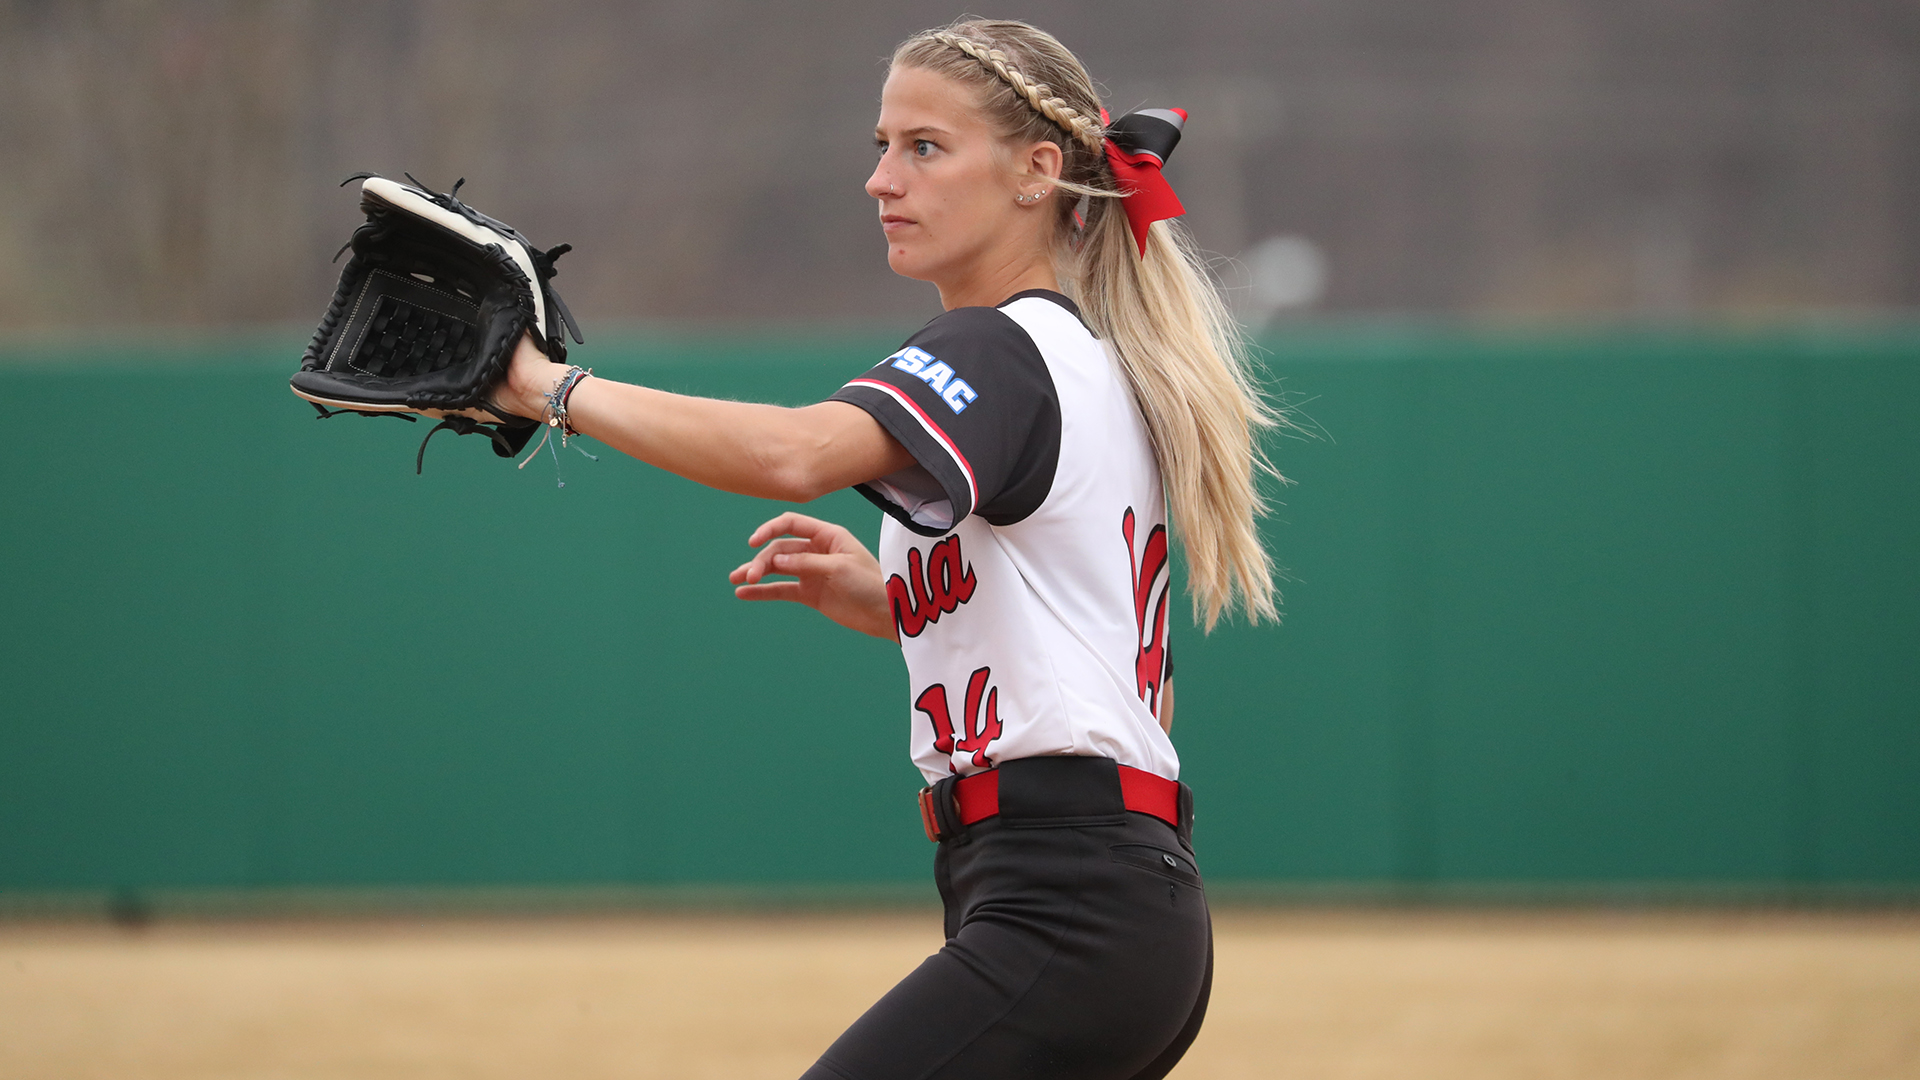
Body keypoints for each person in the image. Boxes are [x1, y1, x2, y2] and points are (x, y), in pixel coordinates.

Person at [493, 18, 1278, 1079]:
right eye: (880, 145)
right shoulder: (1088, 362)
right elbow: (1129, 695)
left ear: (1036, 173)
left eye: (924, 147)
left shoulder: (995, 348)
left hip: (1067, 909)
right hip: (1110, 903)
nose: (880, 180)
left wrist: (549, 387)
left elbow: (792, 453)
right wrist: (900, 598)